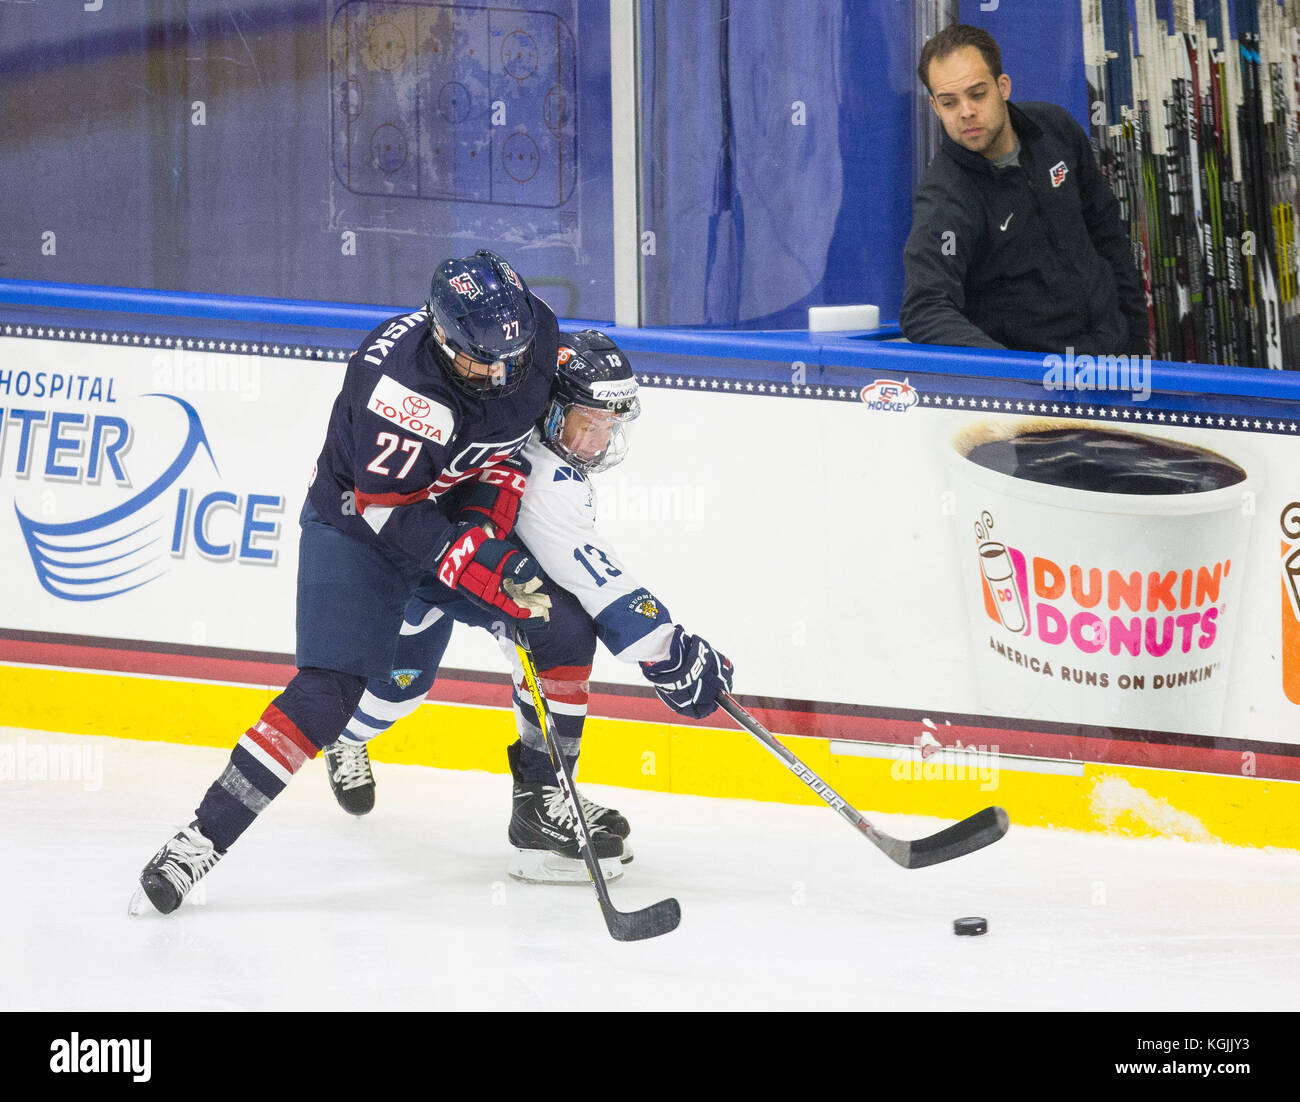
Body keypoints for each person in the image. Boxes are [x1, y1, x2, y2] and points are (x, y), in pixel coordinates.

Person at [129, 249, 562, 916]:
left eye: (511, 354)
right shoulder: (400, 388)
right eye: (482, 361)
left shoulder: (525, 334)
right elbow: (389, 511)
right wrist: (484, 564)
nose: (502, 372)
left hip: (444, 515)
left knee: (535, 630)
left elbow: (507, 452)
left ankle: (543, 802)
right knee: (327, 692)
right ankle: (198, 841)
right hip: (359, 530)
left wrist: (488, 533)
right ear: (441, 336)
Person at [321, 330, 735, 883]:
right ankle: (344, 738)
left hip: (483, 573)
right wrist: (666, 648)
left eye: (608, 426)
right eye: (586, 423)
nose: (595, 442)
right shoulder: (543, 475)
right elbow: (588, 570)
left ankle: (544, 799)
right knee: (400, 694)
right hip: (423, 564)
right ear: (552, 409)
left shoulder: (533, 430)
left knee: (552, 633)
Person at [900, 23, 1149, 356]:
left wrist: (1136, 339)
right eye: (949, 103)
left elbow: (1108, 235)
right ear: (934, 106)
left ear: (1003, 86)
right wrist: (1011, 377)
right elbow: (925, 308)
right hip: (1041, 388)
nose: (966, 112)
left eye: (977, 94)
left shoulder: (1054, 129)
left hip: (1118, 358)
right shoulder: (946, 199)